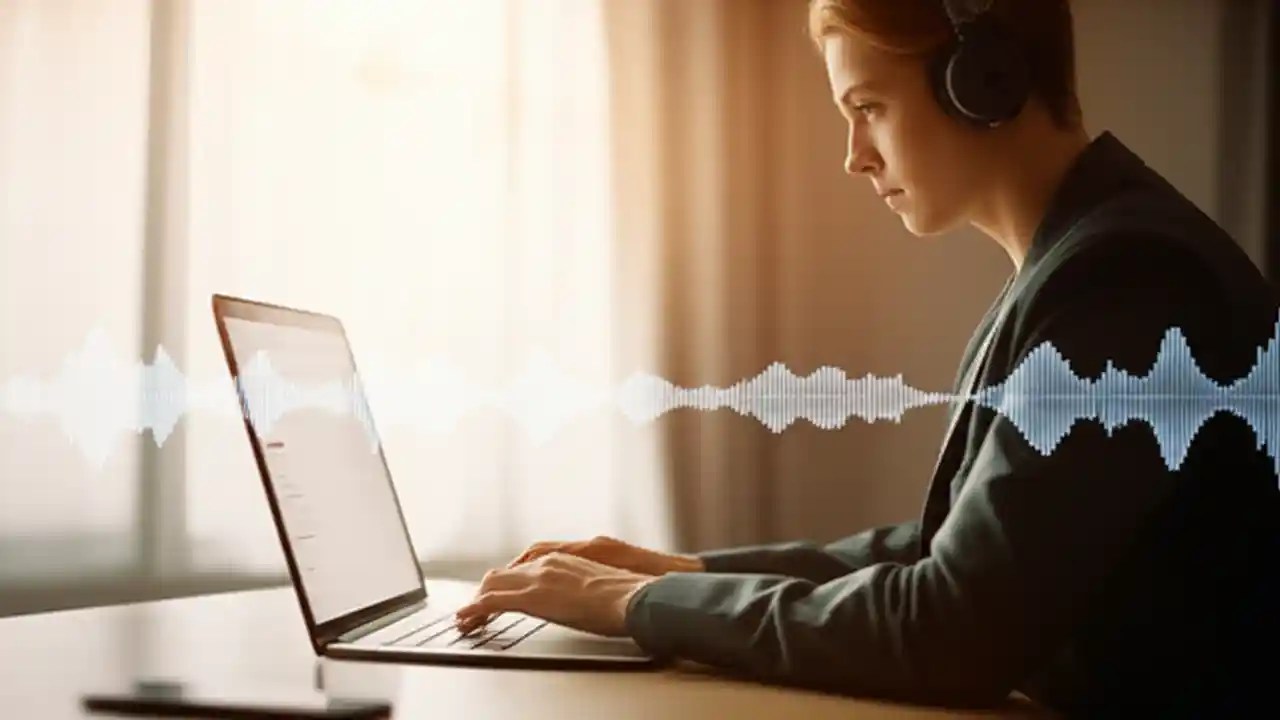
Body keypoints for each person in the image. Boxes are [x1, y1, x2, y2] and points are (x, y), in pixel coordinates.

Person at [456, 0, 1280, 713]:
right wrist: (682, 569)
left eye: (869, 106)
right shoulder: (1079, 264)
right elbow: (945, 547)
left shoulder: (1126, 283)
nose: (854, 153)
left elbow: (953, 628)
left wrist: (645, 603)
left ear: (983, 82)